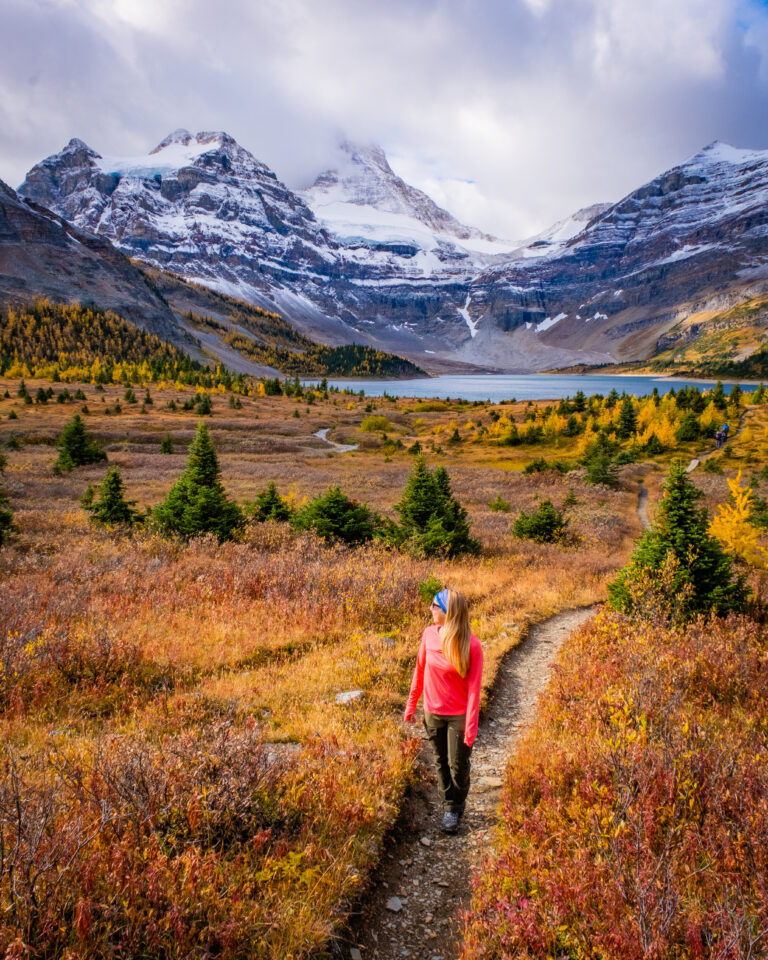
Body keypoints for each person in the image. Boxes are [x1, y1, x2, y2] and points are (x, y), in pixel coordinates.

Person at [403, 588, 483, 834]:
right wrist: (411, 704)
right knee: (440, 762)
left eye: (435, 606)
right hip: (432, 712)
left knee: (458, 765)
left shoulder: (472, 645)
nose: (430, 609)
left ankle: (457, 801)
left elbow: (474, 690)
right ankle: (451, 808)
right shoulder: (428, 634)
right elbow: (419, 670)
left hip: (458, 715)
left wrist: (471, 727)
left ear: (448, 611)